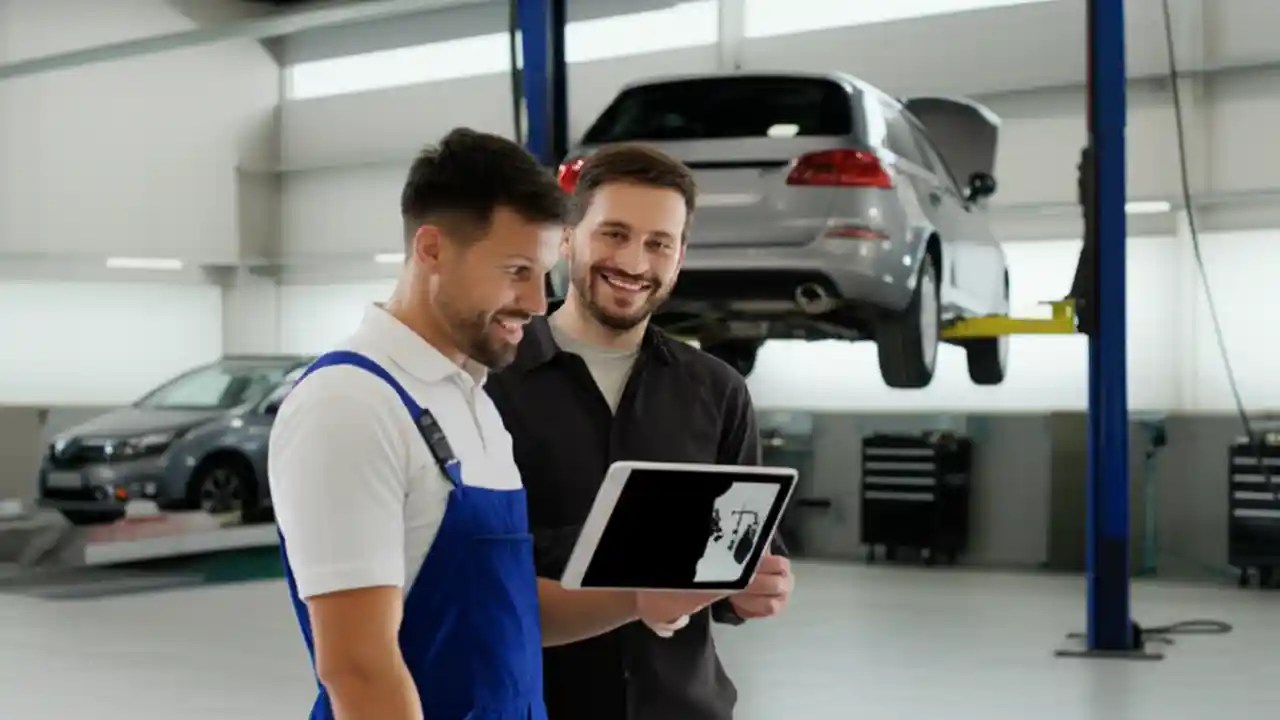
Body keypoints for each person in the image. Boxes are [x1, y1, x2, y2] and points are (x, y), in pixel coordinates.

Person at [486, 143, 797, 720]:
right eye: (614, 234)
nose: (634, 262)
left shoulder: (718, 390)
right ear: (567, 236)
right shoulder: (490, 378)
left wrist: (754, 590)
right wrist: (636, 568)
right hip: (538, 705)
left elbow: (746, 556)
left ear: (679, 256)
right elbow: (472, 561)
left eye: (659, 243)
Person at [266, 128, 569, 720]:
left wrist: (641, 596)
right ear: (431, 249)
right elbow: (358, 667)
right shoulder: (350, 404)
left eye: (545, 275)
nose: (537, 303)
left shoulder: (474, 399)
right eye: (516, 270)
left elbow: (504, 612)